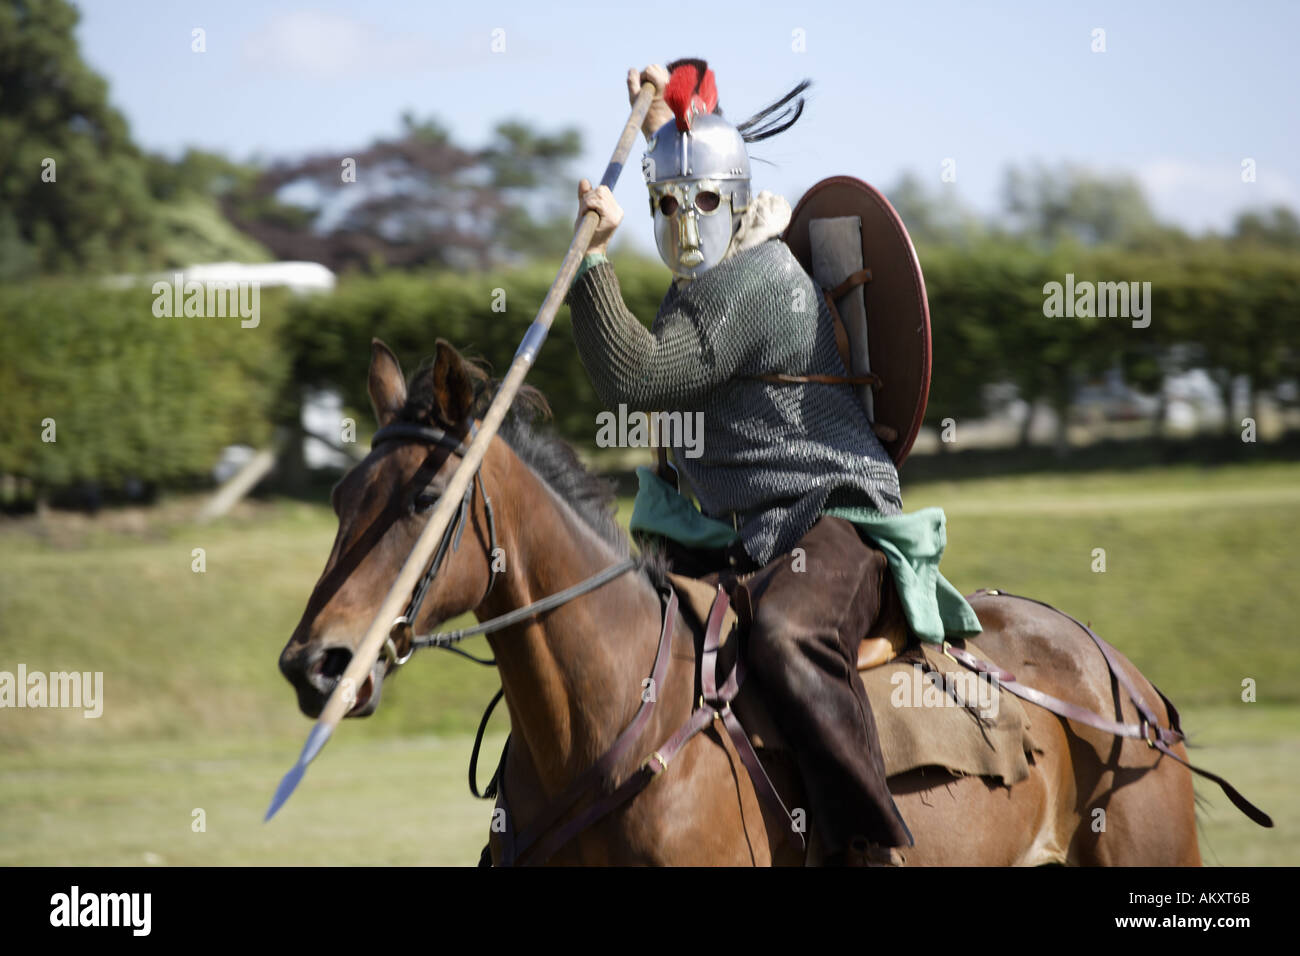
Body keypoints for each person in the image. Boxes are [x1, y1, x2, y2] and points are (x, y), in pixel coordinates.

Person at [565, 59, 914, 865]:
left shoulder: (757, 280)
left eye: (705, 202)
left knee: (789, 635)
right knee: (612, 626)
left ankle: (868, 849)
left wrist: (593, 263)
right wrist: (665, 127)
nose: (686, 225)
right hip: (738, 526)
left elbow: (639, 377)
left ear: (736, 197)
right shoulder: (715, 272)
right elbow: (698, 179)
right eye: (668, 206)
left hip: (829, 511)